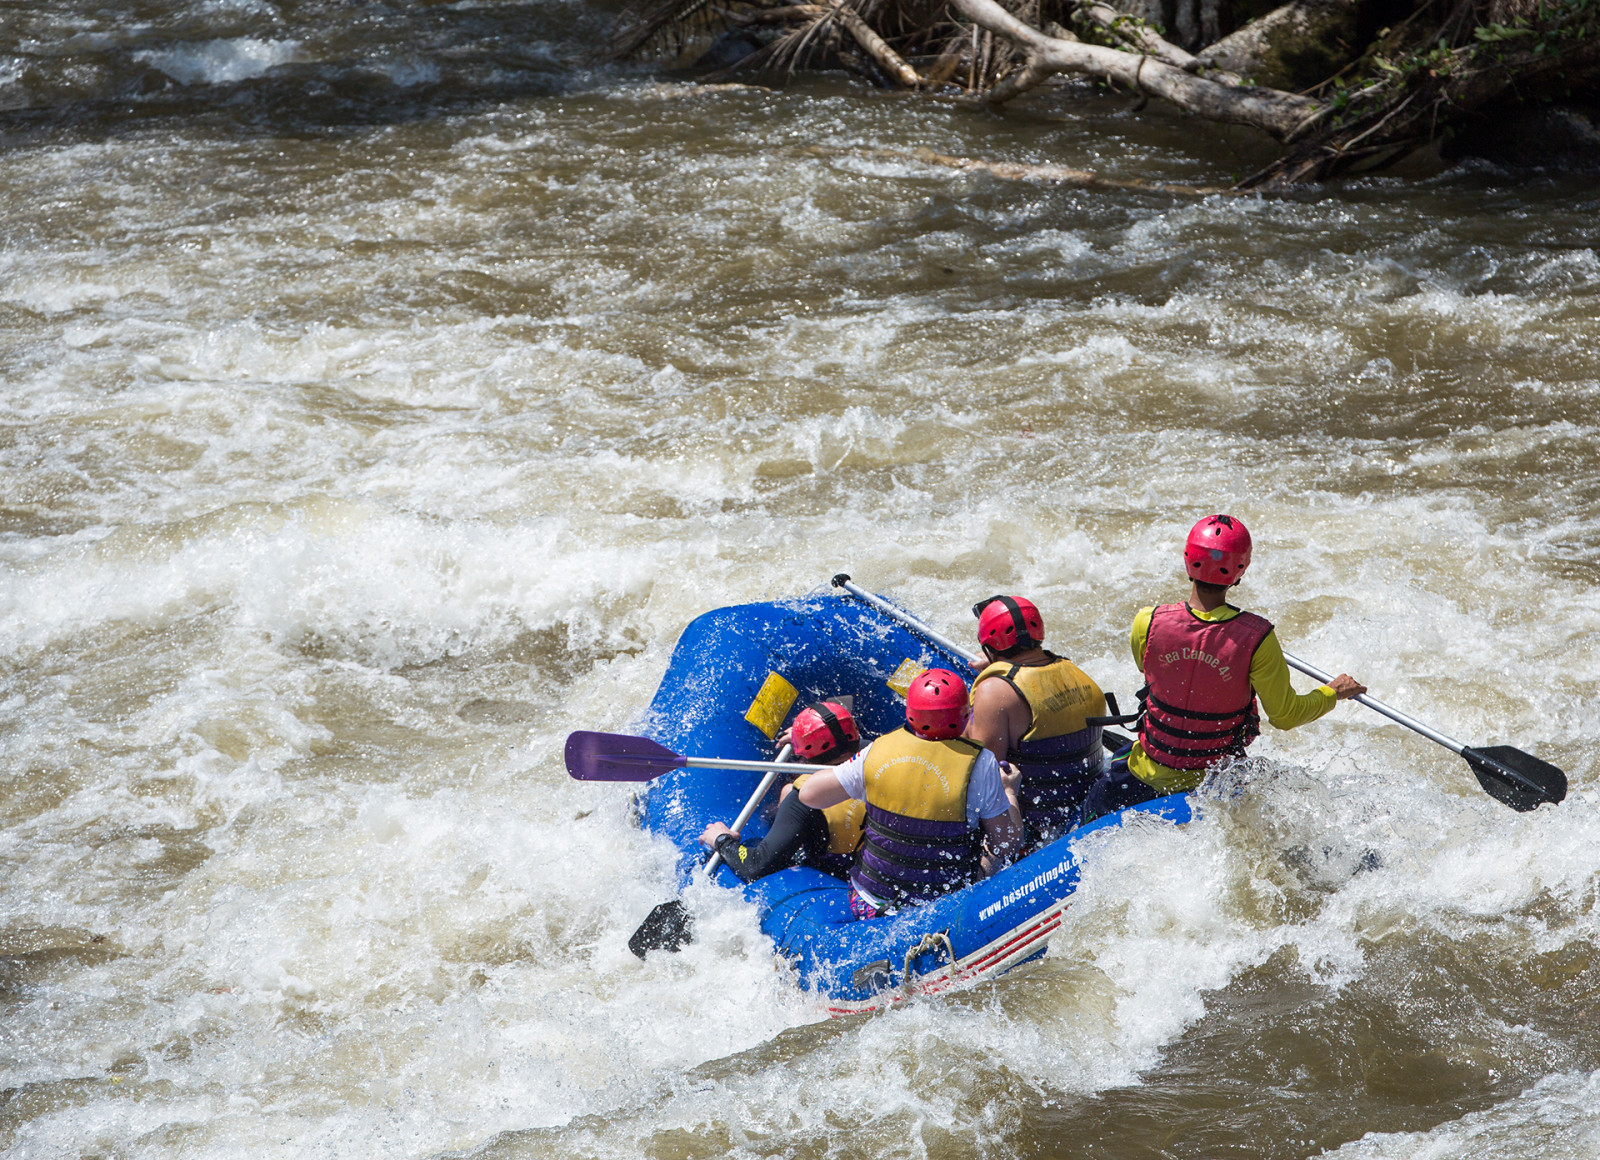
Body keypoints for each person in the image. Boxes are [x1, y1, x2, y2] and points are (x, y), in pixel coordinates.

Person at [1082, 513, 1367, 820]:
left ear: (1188, 561)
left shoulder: (1147, 622)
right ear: (1239, 571)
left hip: (1143, 777)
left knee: (1095, 795)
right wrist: (1332, 692)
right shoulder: (1258, 639)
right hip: (1215, 786)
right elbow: (1285, 716)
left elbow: (1151, 669)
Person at [799, 668, 1024, 919]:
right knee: (991, 855)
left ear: (910, 714)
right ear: (966, 715)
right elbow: (1007, 842)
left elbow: (809, 794)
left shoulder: (878, 750)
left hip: (870, 904)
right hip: (944, 903)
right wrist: (1008, 790)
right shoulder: (981, 762)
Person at [965, 594, 1109, 844]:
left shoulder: (995, 692)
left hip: (1032, 834)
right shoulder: (1076, 674)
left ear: (989, 645)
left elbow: (982, 777)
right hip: (1085, 813)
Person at [699, 701, 865, 881]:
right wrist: (813, 735)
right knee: (787, 790)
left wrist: (721, 840)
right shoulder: (876, 754)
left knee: (785, 794)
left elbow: (756, 868)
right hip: (878, 864)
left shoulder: (804, 799)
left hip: (833, 873)